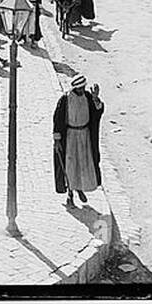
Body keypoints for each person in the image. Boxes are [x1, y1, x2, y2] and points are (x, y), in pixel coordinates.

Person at [52, 74, 104, 209]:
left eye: (83, 87)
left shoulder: (88, 97)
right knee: (70, 165)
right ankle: (70, 194)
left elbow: (97, 111)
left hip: (85, 136)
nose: (82, 90)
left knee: (83, 164)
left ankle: (79, 188)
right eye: (79, 88)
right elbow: (57, 120)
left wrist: (96, 98)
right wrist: (57, 140)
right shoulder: (65, 99)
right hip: (70, 138)